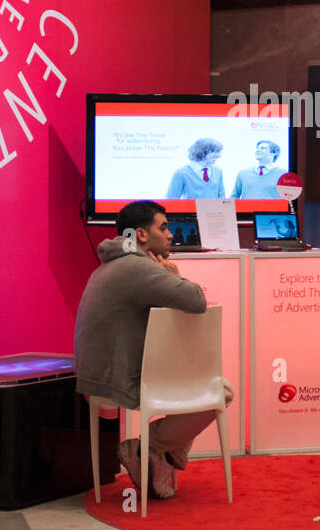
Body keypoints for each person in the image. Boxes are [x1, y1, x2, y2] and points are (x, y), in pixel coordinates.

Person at [74, 200, 233, 499]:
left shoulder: (118, 263)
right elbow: (196, 299)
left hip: (102, 373)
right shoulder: (136, 266)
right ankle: (149, 450)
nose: (171, 234)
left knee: (209, 389)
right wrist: (173, 274)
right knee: (220, 391)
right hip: (115, 378)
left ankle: (158, 459)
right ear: (142, 235)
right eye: (163, 227)